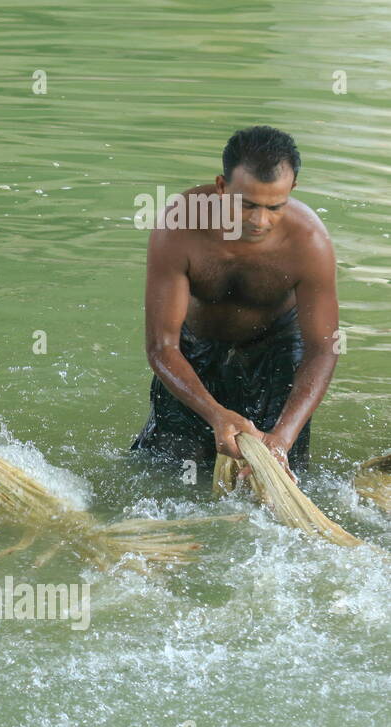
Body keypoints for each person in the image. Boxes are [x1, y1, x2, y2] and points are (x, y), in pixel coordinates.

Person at [133, 125, 339, 473]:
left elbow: (323, 348)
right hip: (195, 346)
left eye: (275, 206)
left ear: (292, 191)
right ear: (221, 186)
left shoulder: (309, 242)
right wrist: (216, 414)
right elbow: (161, 346)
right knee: (165, 469)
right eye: (247, 205)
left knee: (280, 478)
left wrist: (283, 439)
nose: (260, 221)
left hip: (277, 351)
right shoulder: (179, 228)